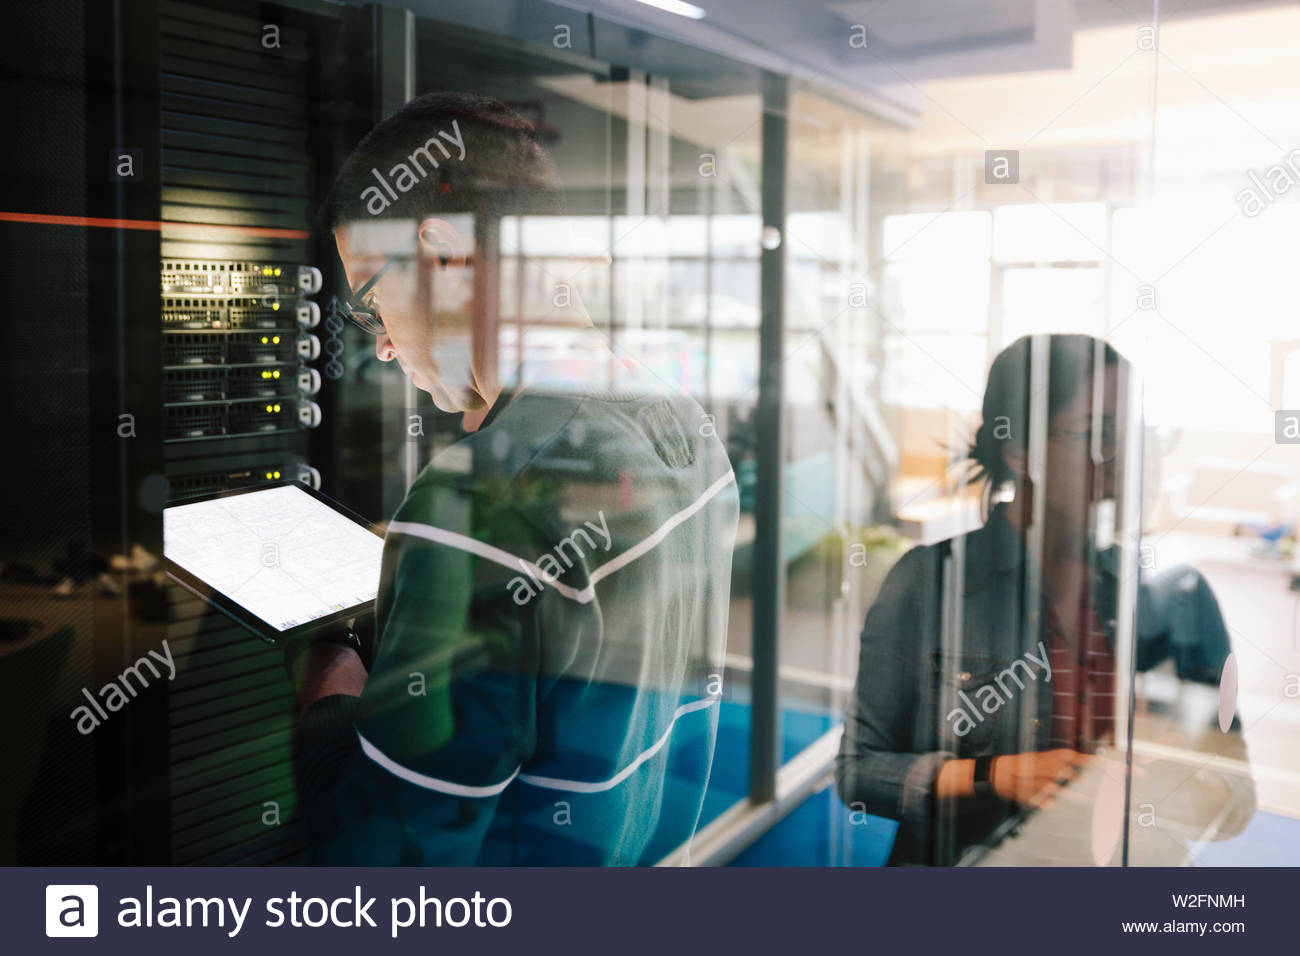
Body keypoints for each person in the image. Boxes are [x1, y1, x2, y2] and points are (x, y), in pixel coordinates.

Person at [288, 92, 738, 865]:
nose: (385, 346)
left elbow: (387, 863)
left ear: (444, 252)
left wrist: (332, 691)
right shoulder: (687, 425)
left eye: (369, 302)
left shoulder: (479, 500)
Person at [835, 334, 1254, 865]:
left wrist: (1180, 786)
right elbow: (858, 772)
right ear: (1018, 450)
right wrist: (995, 775)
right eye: (1099, 433)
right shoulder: (931, 582)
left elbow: (1236, 797)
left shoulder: (1166, 602)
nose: (1122, 457)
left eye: (1130, 433)